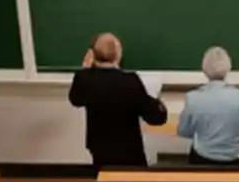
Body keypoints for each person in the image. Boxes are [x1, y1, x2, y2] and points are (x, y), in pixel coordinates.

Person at [68, 33, 168, 168]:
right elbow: (156, 118)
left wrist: (86, 67)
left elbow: (75, 99)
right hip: (130, 152)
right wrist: (157, 102)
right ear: (118, 55)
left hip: (99, 150)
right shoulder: (130, 81)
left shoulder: (85, 79)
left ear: (92, 54)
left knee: (104, 181)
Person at [176, 46, 239, 166]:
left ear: (204, 69)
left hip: (202, 161)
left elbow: (183, 131)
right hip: (236, 161)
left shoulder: (193, 98)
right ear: (228, 68)